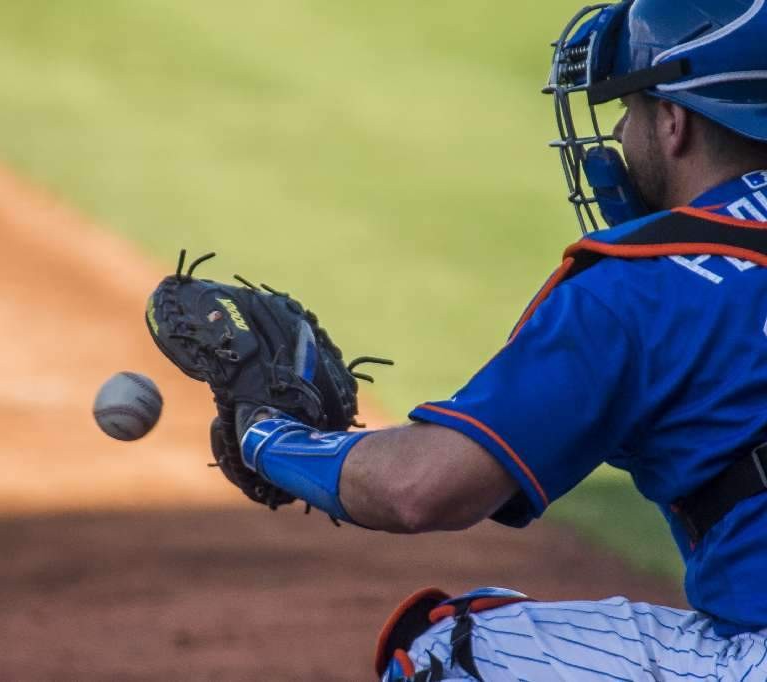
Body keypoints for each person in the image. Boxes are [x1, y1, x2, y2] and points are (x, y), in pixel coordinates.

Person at [236, 1, 767, 679]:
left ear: (672, 121)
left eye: (628, 111)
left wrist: (267, 435)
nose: (620, 134)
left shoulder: (645, 284)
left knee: (451, 650)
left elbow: (421, 488)